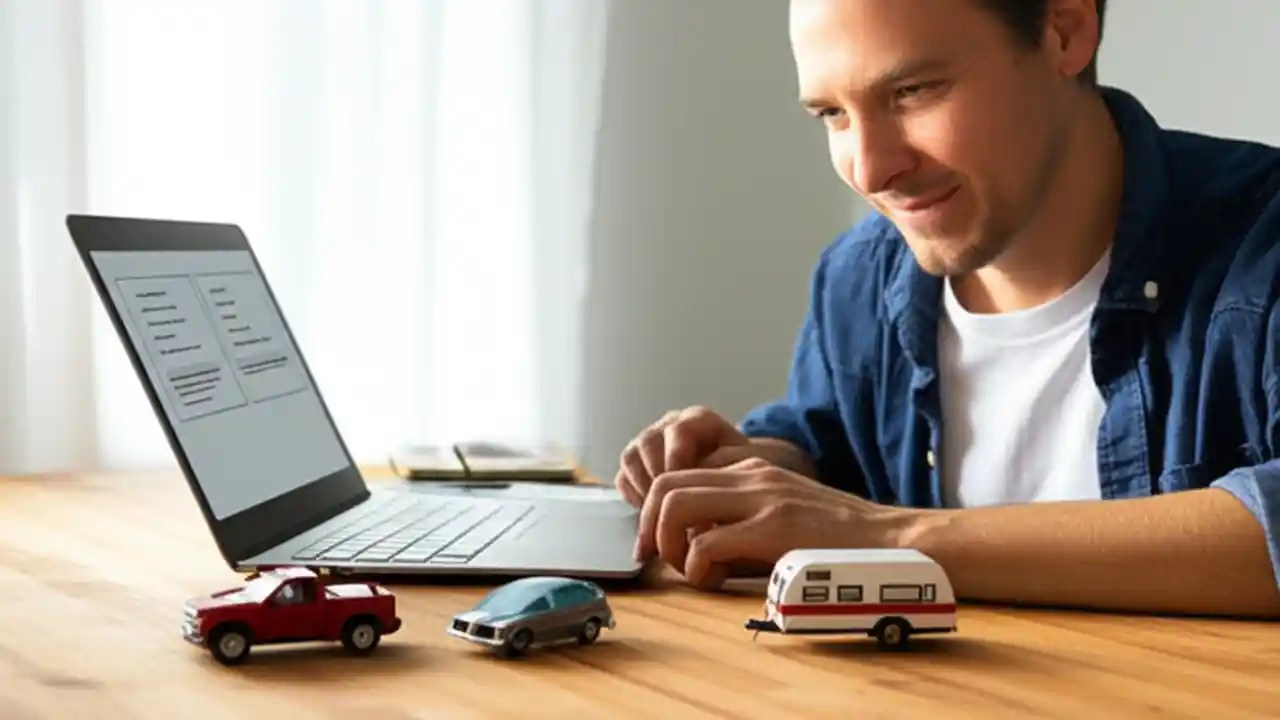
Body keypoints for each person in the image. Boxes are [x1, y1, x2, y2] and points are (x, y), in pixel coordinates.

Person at [615, 0, 1280, 617]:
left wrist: (892, 537)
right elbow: (830, 444)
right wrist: (756, 471)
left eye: (912, 92)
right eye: (833, 115)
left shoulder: (1263, 245)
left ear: (1065, 31)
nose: (869, 170)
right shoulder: (860, 275)